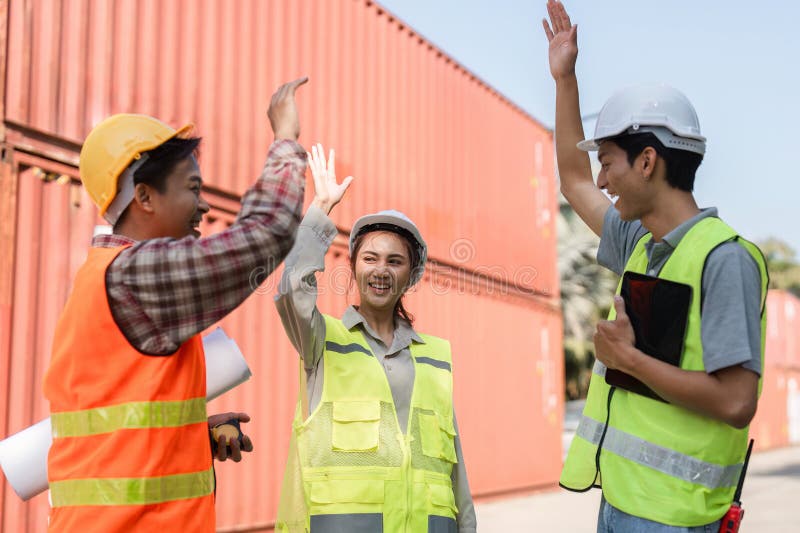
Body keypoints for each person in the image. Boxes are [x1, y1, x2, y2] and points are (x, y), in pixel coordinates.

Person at [42, 78, 310, 532]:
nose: (203, 205)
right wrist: (285, 139)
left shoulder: (103, 276)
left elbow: (112, 437)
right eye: (192, 187)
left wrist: (190, 436)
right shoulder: (134, 277)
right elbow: (267, 233)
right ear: (144, 196)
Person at [543, 1, 768, 531]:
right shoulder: (640, 242)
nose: (602, 180)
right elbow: (573, 180)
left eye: (608, 163)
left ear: (647, 161)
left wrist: (630, 359)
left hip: (674, 518)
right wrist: (565, 80)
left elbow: (737, 401)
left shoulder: (724, 260)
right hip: (622, 504)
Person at [274, 145, 477, 532]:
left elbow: (455, 471)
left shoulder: (434, 358)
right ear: (353, 267)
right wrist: (320, 209)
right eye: (370, 258)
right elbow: (291, 289)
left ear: (411, 275)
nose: (381, 270)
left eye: (394, 261)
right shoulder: (321, 341)